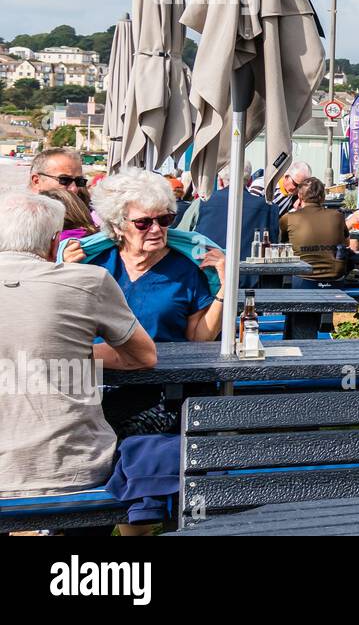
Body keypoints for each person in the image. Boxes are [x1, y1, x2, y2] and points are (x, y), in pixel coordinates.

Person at [0, 192, 158, 515]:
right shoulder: (89, 281)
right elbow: (144, 356)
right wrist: (70, 352)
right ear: (53, 242)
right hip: (74, 470)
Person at [62, 168, 227, 343]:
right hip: (101, 367)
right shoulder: (92, 264)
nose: (156, 229)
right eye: (143, 222)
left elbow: (198, 338)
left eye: (164, 220)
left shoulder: (188, 268)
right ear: (117, 226)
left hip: (166, 368)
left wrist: (226, 287)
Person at [184, 162, 281, 284]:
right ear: (250, 181)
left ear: (219, 180)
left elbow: (182, 234)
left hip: (208, 280)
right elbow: (275, 245)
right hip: (250, 283)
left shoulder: (201, 203)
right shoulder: (268, 208)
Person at [280, 177, 348, 288]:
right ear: (323, 198)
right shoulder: (337, 216)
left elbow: (280, 243)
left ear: (300, 196)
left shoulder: (288, 218)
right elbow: (347, 243)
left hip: (303, 279)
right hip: (335, 280)